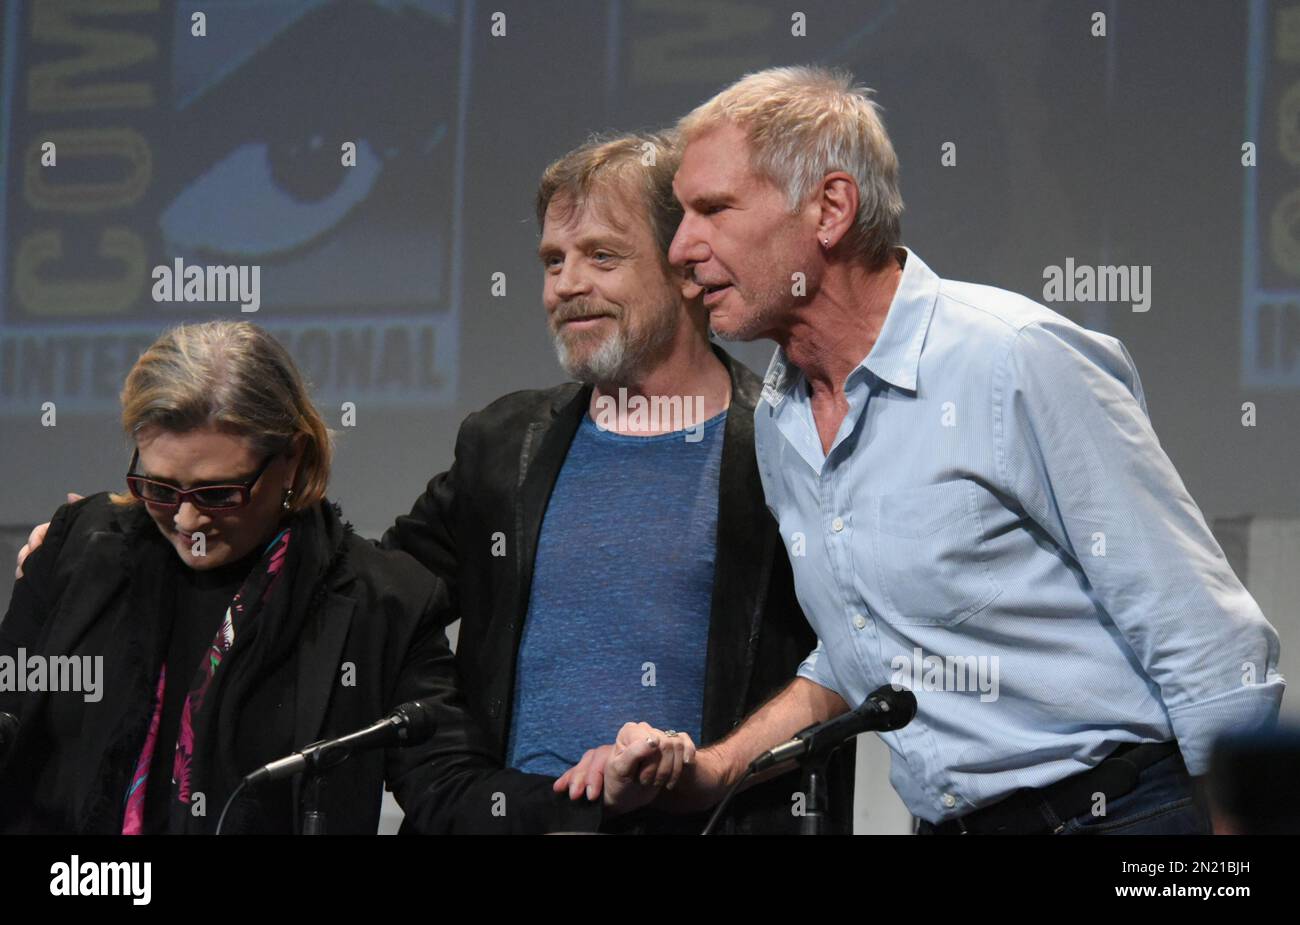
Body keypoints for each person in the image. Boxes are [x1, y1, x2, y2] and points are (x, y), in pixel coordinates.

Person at [15, 132, 856, 835]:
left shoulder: (784, 446)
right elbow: (355, 590)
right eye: (551, 259)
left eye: (601, 255)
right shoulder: (502, 444)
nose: (566, 284)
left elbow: (852, 657)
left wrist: (701, 773)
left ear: (683, 265)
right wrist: (110, 547)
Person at [560, 66, 1285, 835]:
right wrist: (710, 770)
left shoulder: (1014, 359)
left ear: (831, 208)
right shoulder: (780, 418)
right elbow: (859, 653)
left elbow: (1206, 638)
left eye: (712, 209)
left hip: (1123, 815)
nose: (679, 248)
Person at [0, 321, 578, 834]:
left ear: (293, 459)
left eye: (218, 493)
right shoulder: (78, 549)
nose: (186, 519)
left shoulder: (383, 602)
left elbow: (448, 789)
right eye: (158, 487)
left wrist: (590, 801)